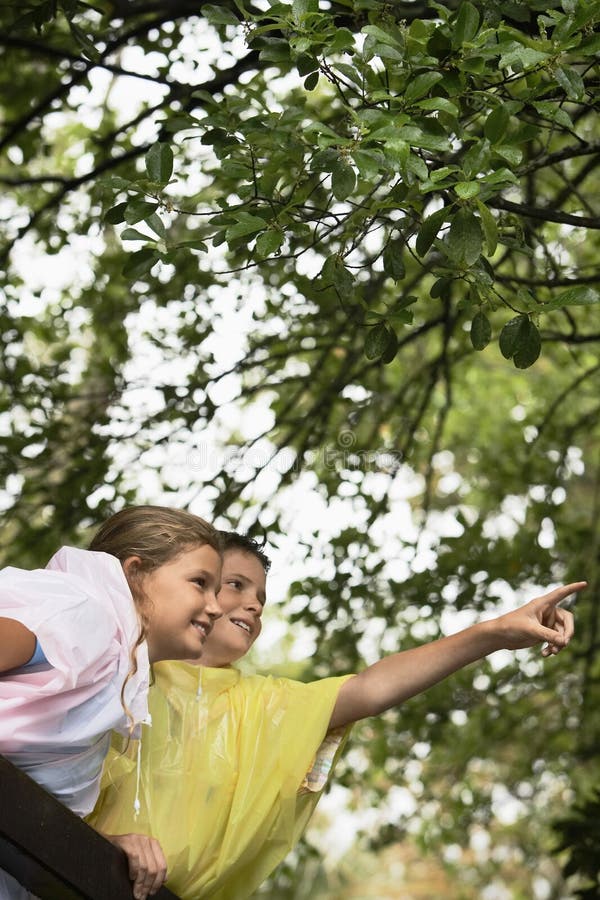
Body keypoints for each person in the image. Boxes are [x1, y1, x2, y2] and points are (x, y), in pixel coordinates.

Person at [89, 532, 586, 900]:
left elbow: (370, 688)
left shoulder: (266, 703)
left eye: (261, 597)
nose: (253, 605)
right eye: (233, 584)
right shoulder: (120, 658)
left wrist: (497, 632)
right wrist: (108, 844)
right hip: (61, 864)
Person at [0, 505, 223, 900]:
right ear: (135, 573)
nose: (216, 606)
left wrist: (101, 843)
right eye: (199, 582)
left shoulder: (116, 664)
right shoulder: (91, 617)